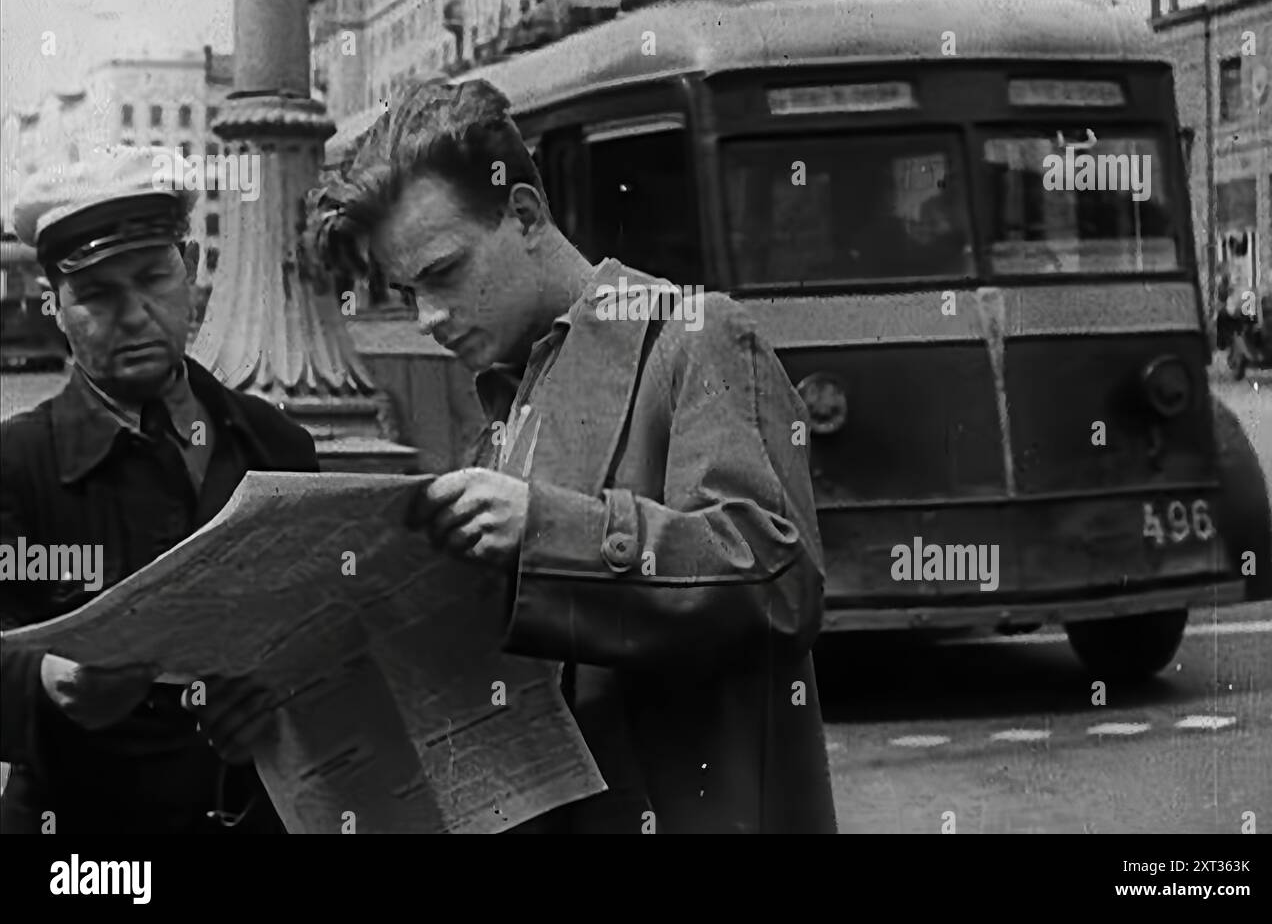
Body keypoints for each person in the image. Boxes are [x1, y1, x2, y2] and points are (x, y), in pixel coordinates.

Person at [307, 79, 838, 834]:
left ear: (524, 213)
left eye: (444, 273)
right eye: (406, 291)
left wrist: (546, 531)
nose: (428, 317)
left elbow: (779, 583)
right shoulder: (505, 407)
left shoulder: (694, 337)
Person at [0, 145, 318, 834]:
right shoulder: (16, 463)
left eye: (151, 277)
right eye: (96, 295)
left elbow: (329, 643)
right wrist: (48, 681)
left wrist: (285, 699)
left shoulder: (277, 448)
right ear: (53, 304)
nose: (136, 314)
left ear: (193, 270)